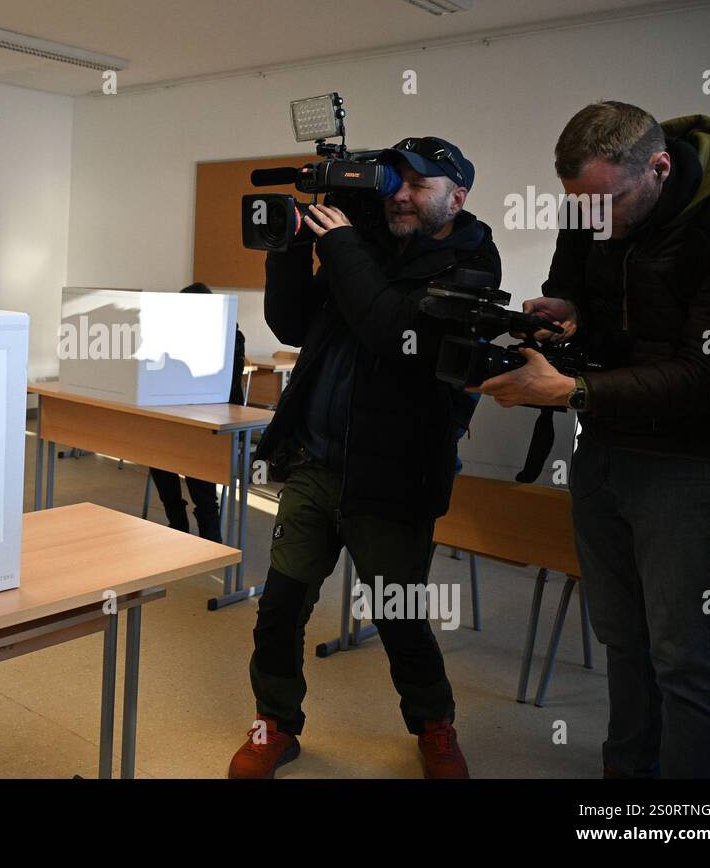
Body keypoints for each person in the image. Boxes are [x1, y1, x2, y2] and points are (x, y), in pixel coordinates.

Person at [474, 102, 710, 778]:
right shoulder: (590, 203)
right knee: (623, 641)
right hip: (604, 446)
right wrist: (564, 310)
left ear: (658, 168)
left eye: (606, 202)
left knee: (683, 655)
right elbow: (572, 286)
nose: (592, 221)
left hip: (693, 461)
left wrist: (573, 392)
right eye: (578, 206)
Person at [228, 137, 499, 779]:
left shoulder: (471, 263)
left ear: (456, 198)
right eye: (393, 180)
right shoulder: (366, 242)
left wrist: (342, 246)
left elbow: (395, 332)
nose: (400, 195)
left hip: (397, 474)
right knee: (280, 609)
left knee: (399, 617)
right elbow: (295, 326)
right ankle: (276, 725)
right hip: (316, 464)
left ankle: (434, 726)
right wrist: (292, 245)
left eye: (419, 185)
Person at [148, 282, 246, 542]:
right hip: (179, 413)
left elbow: (228, 386)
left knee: (197, 465)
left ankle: (210, 535)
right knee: (156, 454)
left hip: (215, 418)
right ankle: (177, 522)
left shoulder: (231, 336)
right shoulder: (174, 337)